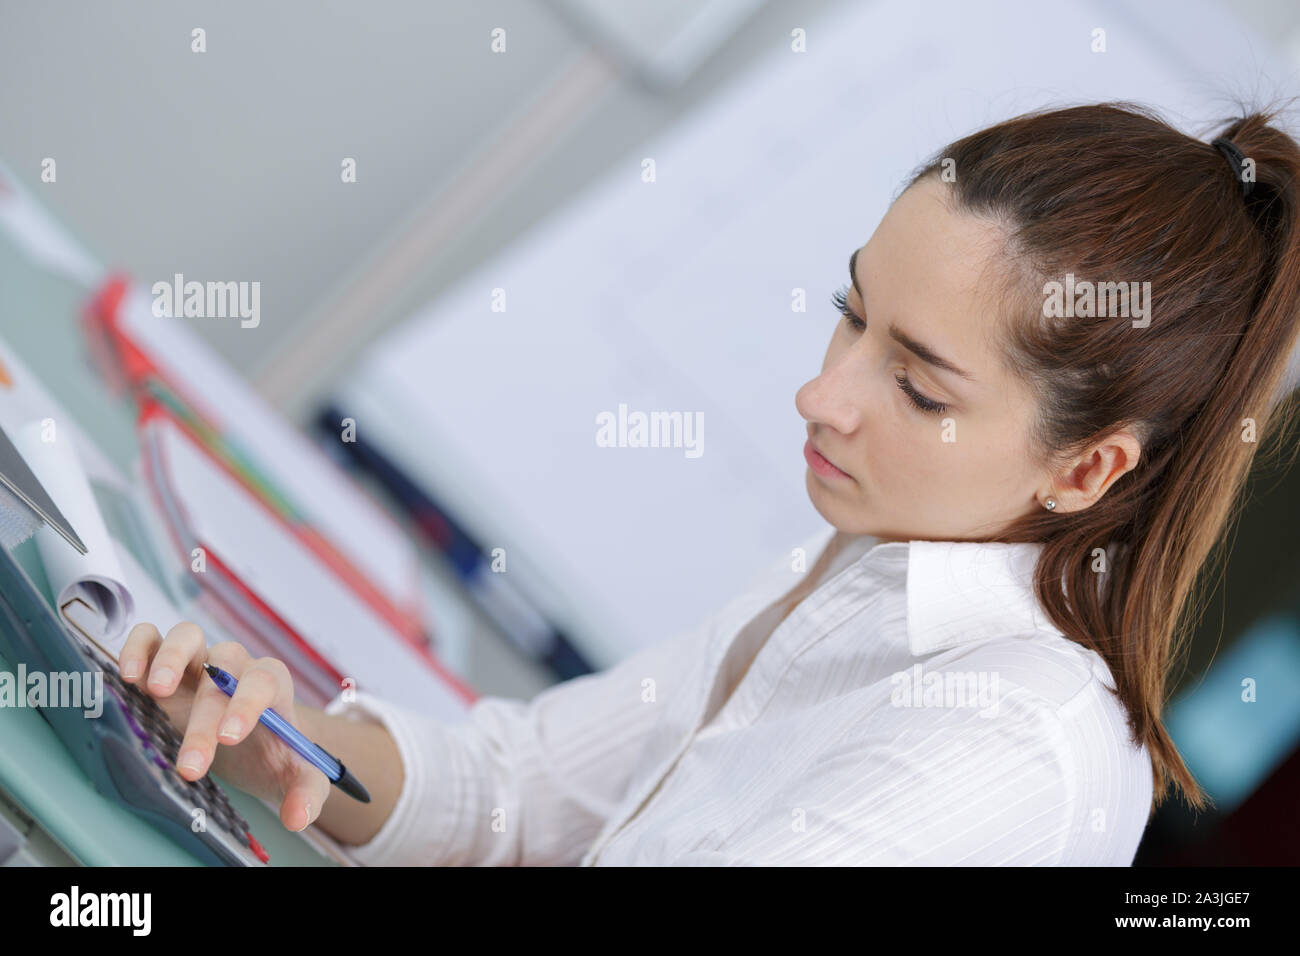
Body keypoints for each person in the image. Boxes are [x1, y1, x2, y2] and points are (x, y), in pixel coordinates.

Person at [121, 101, 1300, 865]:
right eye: (851, 316)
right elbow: (515, 795)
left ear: (1083, 468)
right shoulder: (860, 567)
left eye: (919, 388)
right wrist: (281, 739)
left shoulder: (1008, 750)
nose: (823, 396)